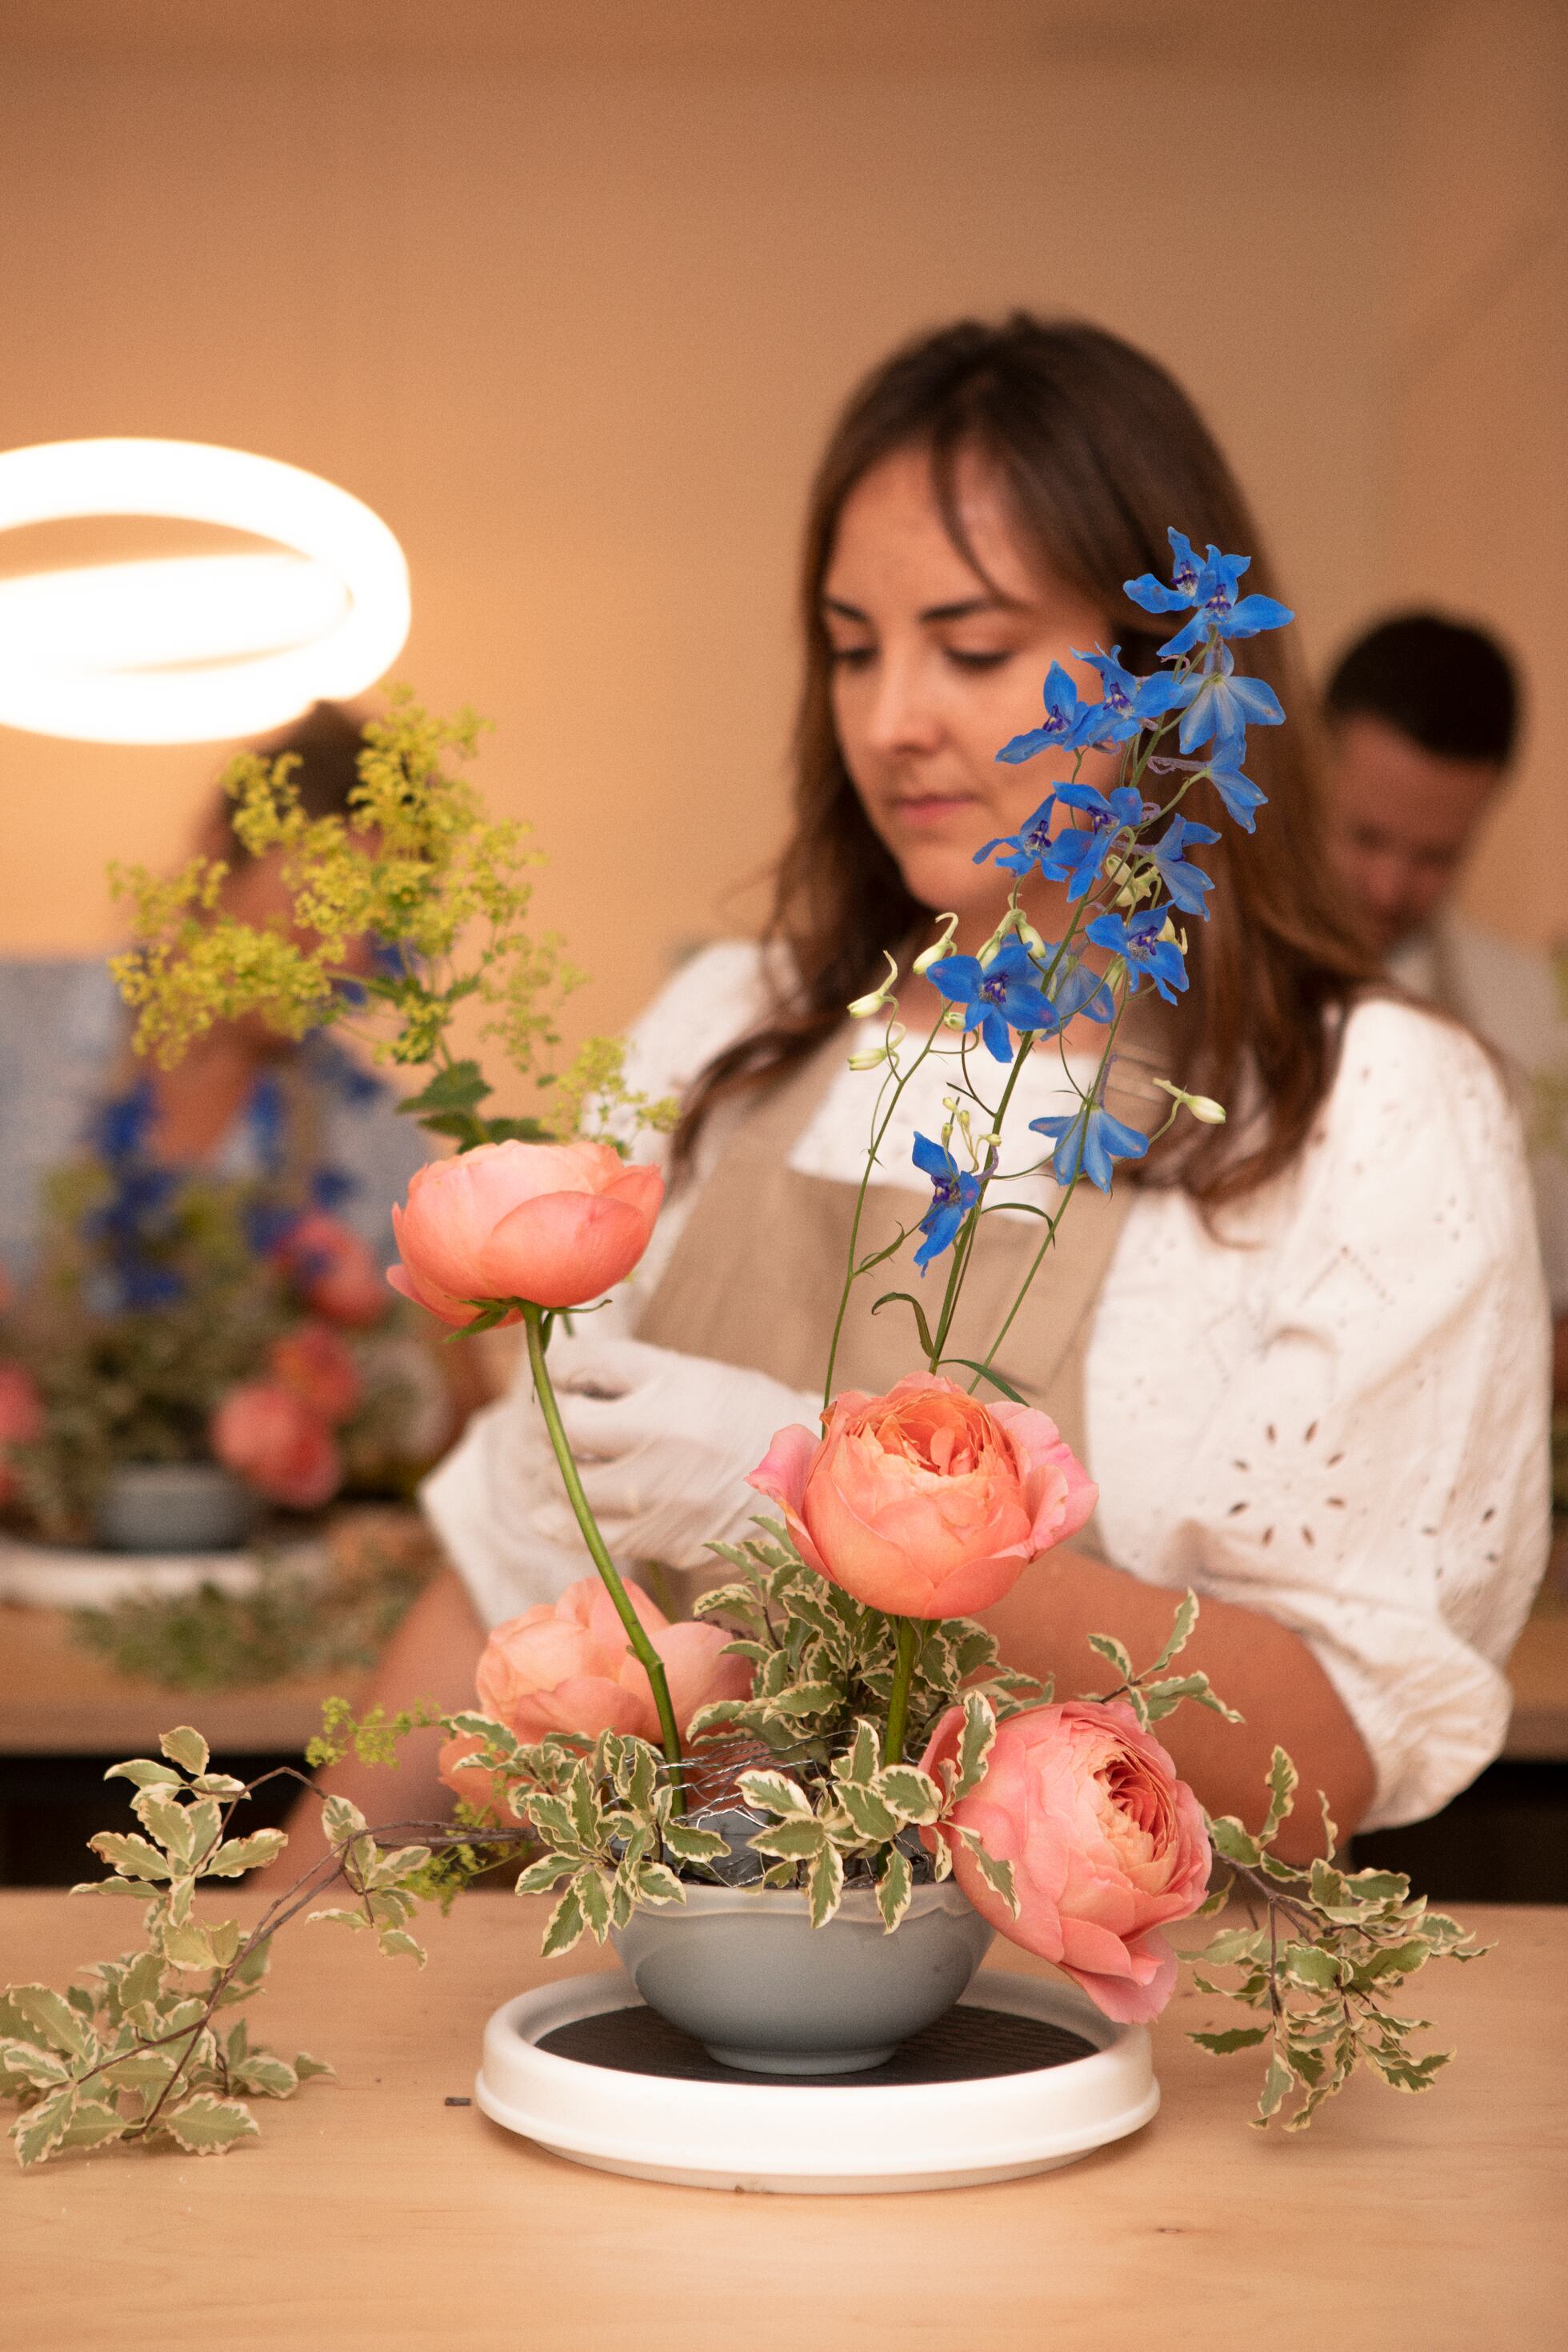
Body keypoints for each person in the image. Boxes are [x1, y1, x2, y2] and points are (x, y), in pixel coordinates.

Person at [306, 318, 1550, 1869]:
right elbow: (507, 1580)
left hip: (1115, 2078)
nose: (893, 717)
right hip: (646, 2018)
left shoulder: (1366, 1102)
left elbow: (1323, 1756)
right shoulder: (731, 1028)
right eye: (850, 644)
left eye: (968, 649)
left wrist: (812, 1507)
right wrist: (271, 1957)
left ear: (1165, 667)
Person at [0, 702, 430, 1292]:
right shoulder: (13, 1022)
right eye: (326, 904)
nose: (348, 956)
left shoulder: (377, 1138)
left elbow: (461, 1384)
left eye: (376, 927)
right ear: (217, 852)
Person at [1321, 613, 1568, 1380]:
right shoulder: (1191, 965)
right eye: (1365, 838)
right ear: (1307, 772)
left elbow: (1555, 1301)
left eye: (1437, 857)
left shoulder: (1528, 1006)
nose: (1391, 886)